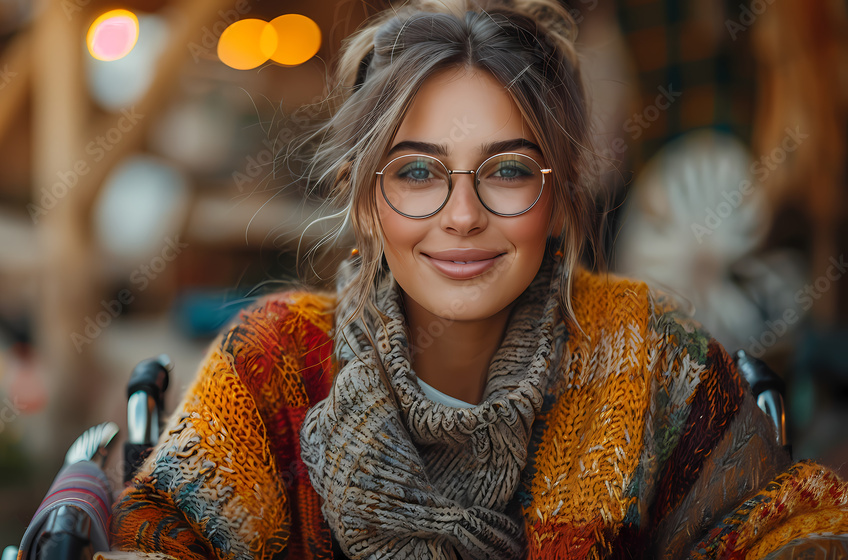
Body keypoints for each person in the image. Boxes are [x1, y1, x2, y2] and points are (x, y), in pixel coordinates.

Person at [109, 0, 848, 558]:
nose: (462, 216)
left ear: (559, 201)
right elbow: (164, 538)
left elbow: (784, 528)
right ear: (365, 201)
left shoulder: (646, 353)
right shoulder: (277, 362)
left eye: (508, 170)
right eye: (419, 172)